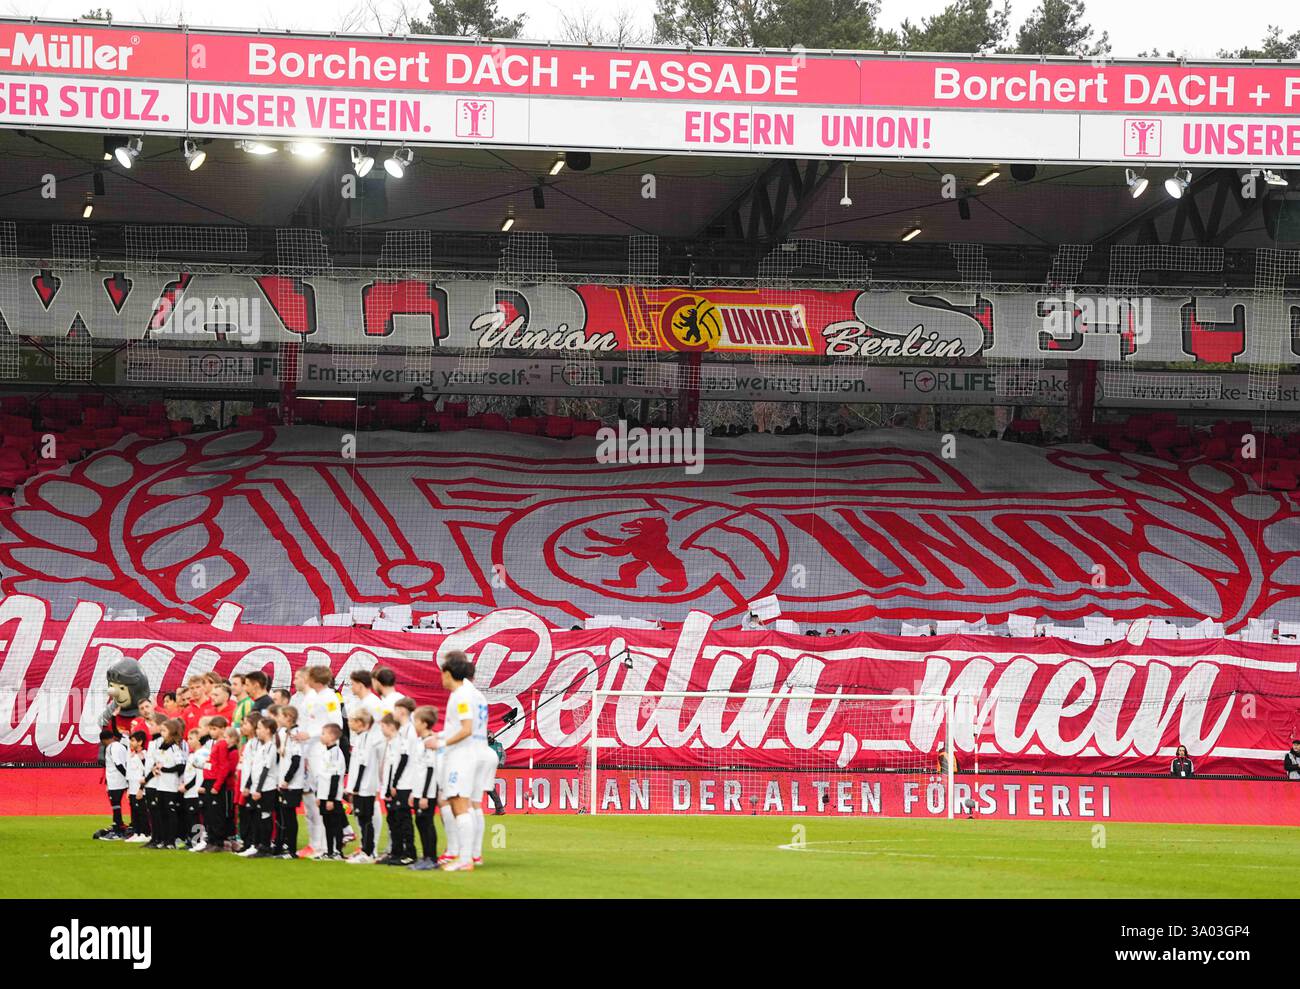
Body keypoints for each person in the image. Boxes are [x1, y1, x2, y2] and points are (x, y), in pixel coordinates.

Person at [428, 650, 490, 872]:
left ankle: (464, 858)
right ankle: (471, 855)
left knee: (459, 804)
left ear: (448, 672)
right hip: (476, 752)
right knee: (471, 805)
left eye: (442, 672)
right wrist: (442, 737)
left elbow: (466, 729)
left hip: (462, 755)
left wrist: (442, 743)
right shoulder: (474, 694)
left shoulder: (461, 695)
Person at [343, 709, 384, 864]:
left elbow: (363, 763)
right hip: (360, 786)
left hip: (365, 786)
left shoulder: (367, 739)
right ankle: (366, 849)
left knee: (366, 819)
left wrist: (356, 787)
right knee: (361, 818)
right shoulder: (360, 738)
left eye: (352, 720)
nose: (349, 722)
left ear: (360, 723)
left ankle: (369, 851)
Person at [407, 705, 441, 871]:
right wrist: (414, 792)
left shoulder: (429, 743)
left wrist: (426, 795)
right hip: (419, 790)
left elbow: (430, 769)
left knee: (427, 823)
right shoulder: (421, 742)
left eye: (416, 721)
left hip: (427, 792)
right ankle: (426, 856)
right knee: (420, 823)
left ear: (424, 723)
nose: (414, 725)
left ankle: (432, 857)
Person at [243, 716, 281, 858]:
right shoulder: (262, 747)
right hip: (258, 787)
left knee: (265, 816)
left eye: (259, 728)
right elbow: (255, 769)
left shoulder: (271, 747)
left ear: (268, 730)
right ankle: (259, 844)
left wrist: (258, 789)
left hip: (267, 788)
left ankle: (265, 846)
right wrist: (249, 785)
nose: (257, 731)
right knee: (258, 816)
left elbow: (266, 769)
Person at [197, 716, 233, 852]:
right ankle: (211, 841)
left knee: (216, 814)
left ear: (223, 729)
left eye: (214, 729)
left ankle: (218, 842)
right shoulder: (213, 744)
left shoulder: (222, 744)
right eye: (210, 729)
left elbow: (224, 766)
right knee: (209, 813)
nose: (211, 732)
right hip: (209, 781)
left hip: (215, 783)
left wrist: (217, 786)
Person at [275, 704, 304, 860]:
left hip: (292, 784)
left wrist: (287, 779)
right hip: (284, 782)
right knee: (284, 816)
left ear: (289, 717)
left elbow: (296, 759)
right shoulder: (285, 733)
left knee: (290, 816)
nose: (279, 719)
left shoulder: (295, 734)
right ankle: (283, 845)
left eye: (281, 716)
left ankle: (291, 849)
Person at [315, 723, 348, 861]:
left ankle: (337, 851)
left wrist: (330, 798)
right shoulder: (326, 752)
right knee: (327, 824)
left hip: (332, 797)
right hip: (323, 795)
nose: (321, 736)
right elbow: (321, 776)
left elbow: (335, 777)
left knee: (335, 824)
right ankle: (329, 851)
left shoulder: (336, 753)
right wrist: (318, 795)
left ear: (332, 736)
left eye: (324, 733)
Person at [95, 727, 131, 840]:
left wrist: (127, 777)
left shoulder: (112, 747)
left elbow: (118, 764)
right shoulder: (120, 746)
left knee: (115, 804)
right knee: (117, 804)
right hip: (117, 780)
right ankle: (118, 825)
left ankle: (118, 829)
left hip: (116, 781)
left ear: (104, 740)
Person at [485, 733, 506, 816]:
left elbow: (503, 755)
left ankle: (499, 808)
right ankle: (499, 808)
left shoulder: (499, 745)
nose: (490, 738)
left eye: (491, 736)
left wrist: (501, 762)